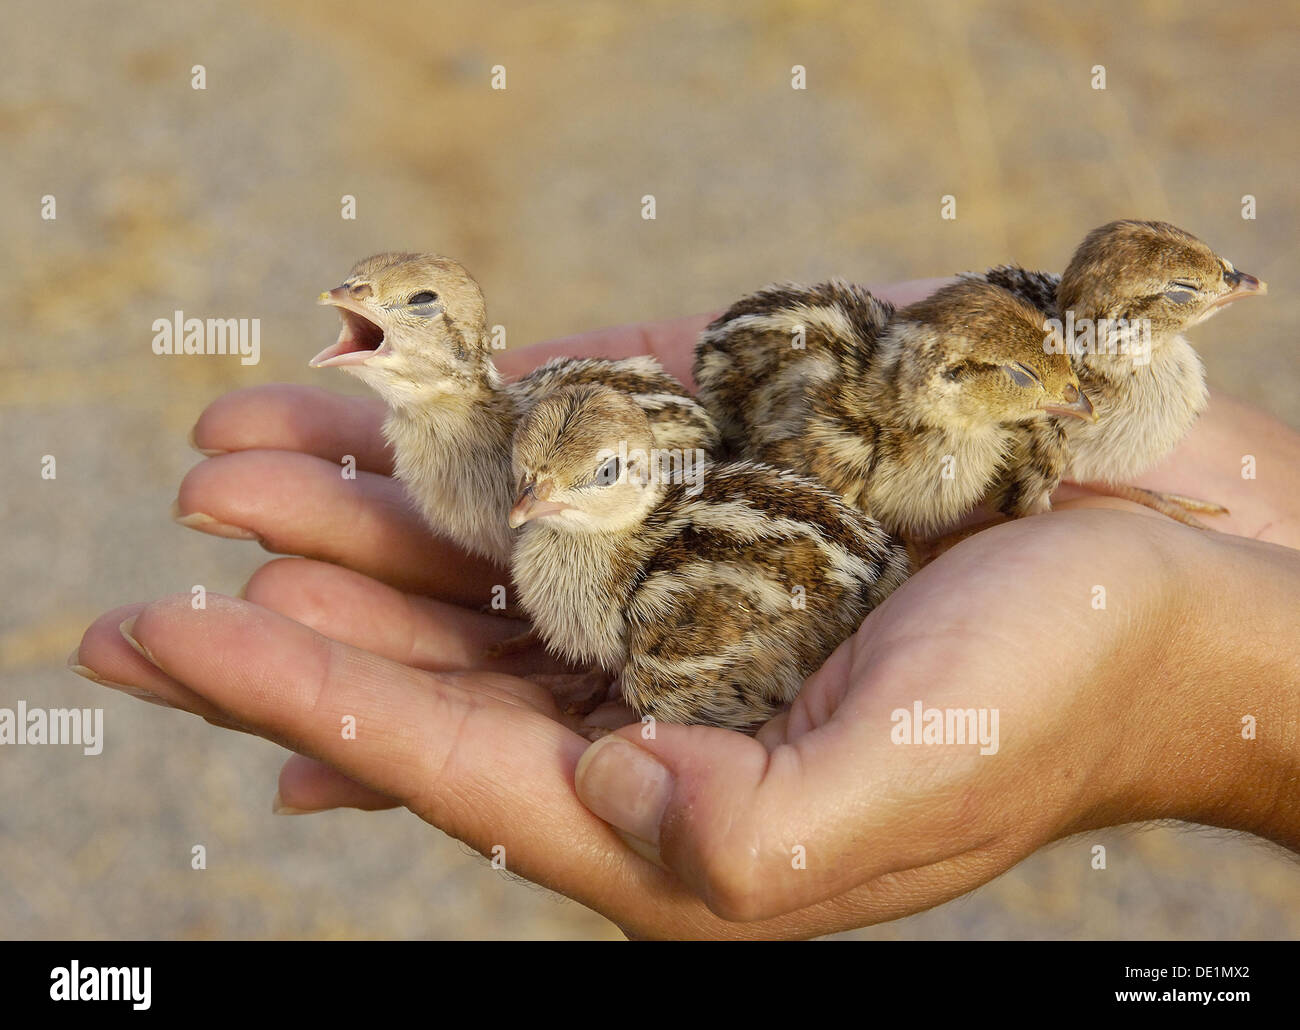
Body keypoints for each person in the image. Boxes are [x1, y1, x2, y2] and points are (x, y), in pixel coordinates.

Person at [72, 280, 1300, 939]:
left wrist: (1191, 652)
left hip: (772, 546)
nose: (529, 504)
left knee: (658, 670)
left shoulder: (675, 615)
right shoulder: (633, 517)